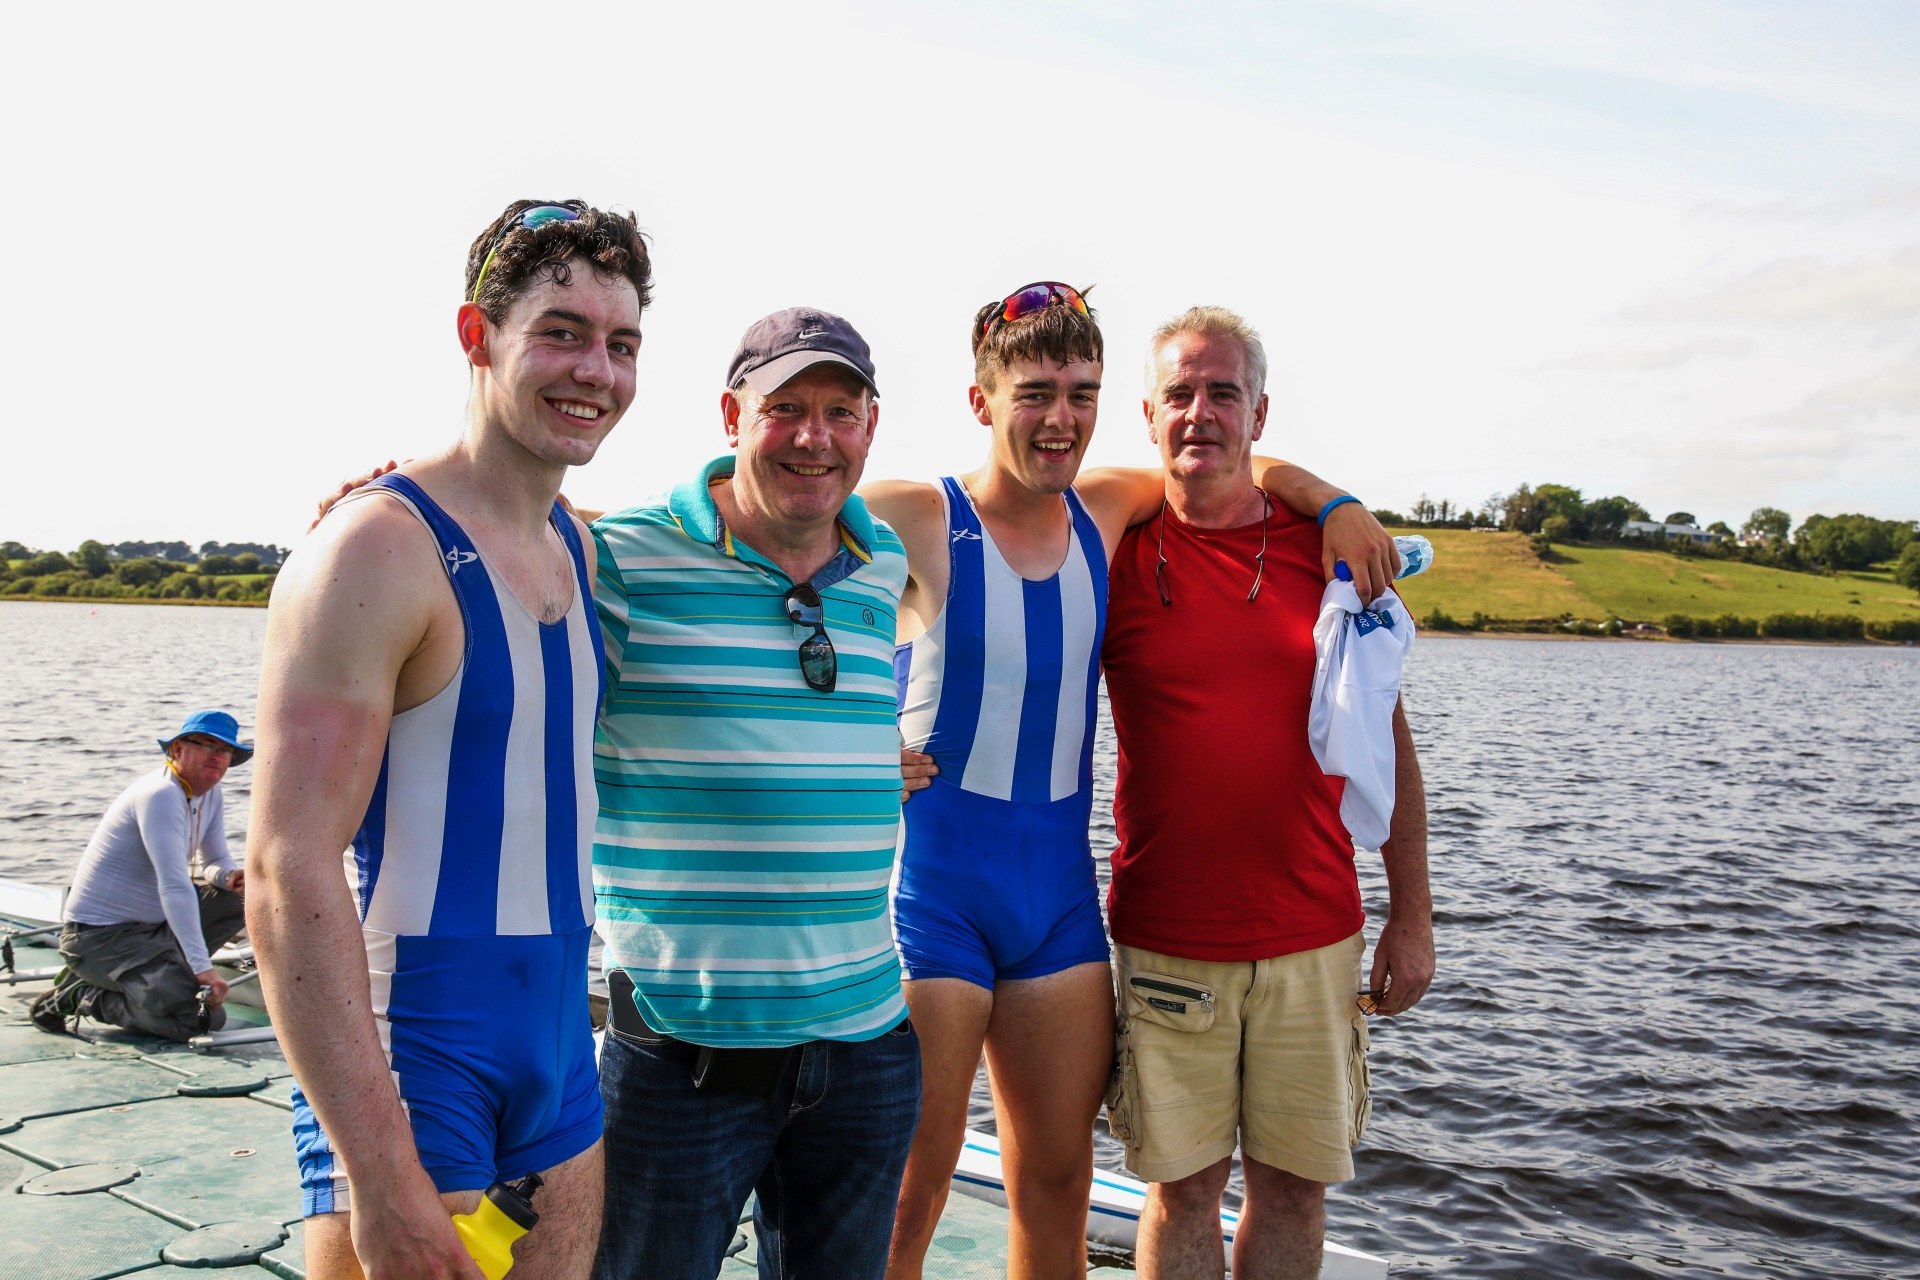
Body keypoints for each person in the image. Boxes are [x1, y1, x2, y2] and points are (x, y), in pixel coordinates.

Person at [863, 284, 1392, 1280]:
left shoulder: (1107, 509)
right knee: (907, 1186)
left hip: (1059, 912)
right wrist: (842, 739)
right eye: (1033, 393)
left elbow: (1239, 454)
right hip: (933, 901)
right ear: (981, 400)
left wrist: (1336, 500)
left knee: (1057, 1183)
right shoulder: (919, 516)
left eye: (1080, 393)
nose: (1059, 417)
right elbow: (764, 550)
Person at [246, 199, 651, 1280]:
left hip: (564, 1056)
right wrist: (377, 1175)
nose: (595, 371)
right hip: (417, 1054)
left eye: (621, 343)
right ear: (477, 336)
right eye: (560, 330)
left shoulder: (582, 545)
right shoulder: (376, 551)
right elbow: (285, 869)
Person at [1099, 307, 1435, 1280]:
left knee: (1294, 1187)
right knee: (1183, 1189)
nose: (1201, 412)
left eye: (1224, 392)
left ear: (1260, 411)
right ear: (1150, 414)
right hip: (1169, 934)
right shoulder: (1116, 553)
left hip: (1315, 934)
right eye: (1181, 394)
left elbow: (1390, 742)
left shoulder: (1334, 553)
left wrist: (1411, 915)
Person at [590, 309, 923, 1280]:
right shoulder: (621, 558)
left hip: (866, 1050)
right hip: (684, 1062)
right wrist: (386, 509)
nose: (815, 435)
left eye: (840, 410)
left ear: (870, 424)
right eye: (785, 408)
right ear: (732, 412)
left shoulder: (881, 563)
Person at [33, 710, 252, 1042]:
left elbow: (215, 861)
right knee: (201, 1021)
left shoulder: (210, 794)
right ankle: (84, 997)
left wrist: (230, 876)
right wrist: (201, 968)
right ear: (178, 749)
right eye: (207, 746)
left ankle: (165, 978)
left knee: (240, 898)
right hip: (99, 938)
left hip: (154, 929)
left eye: (225, 751)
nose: (217, 756)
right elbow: (174, 885)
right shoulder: (159, 794)